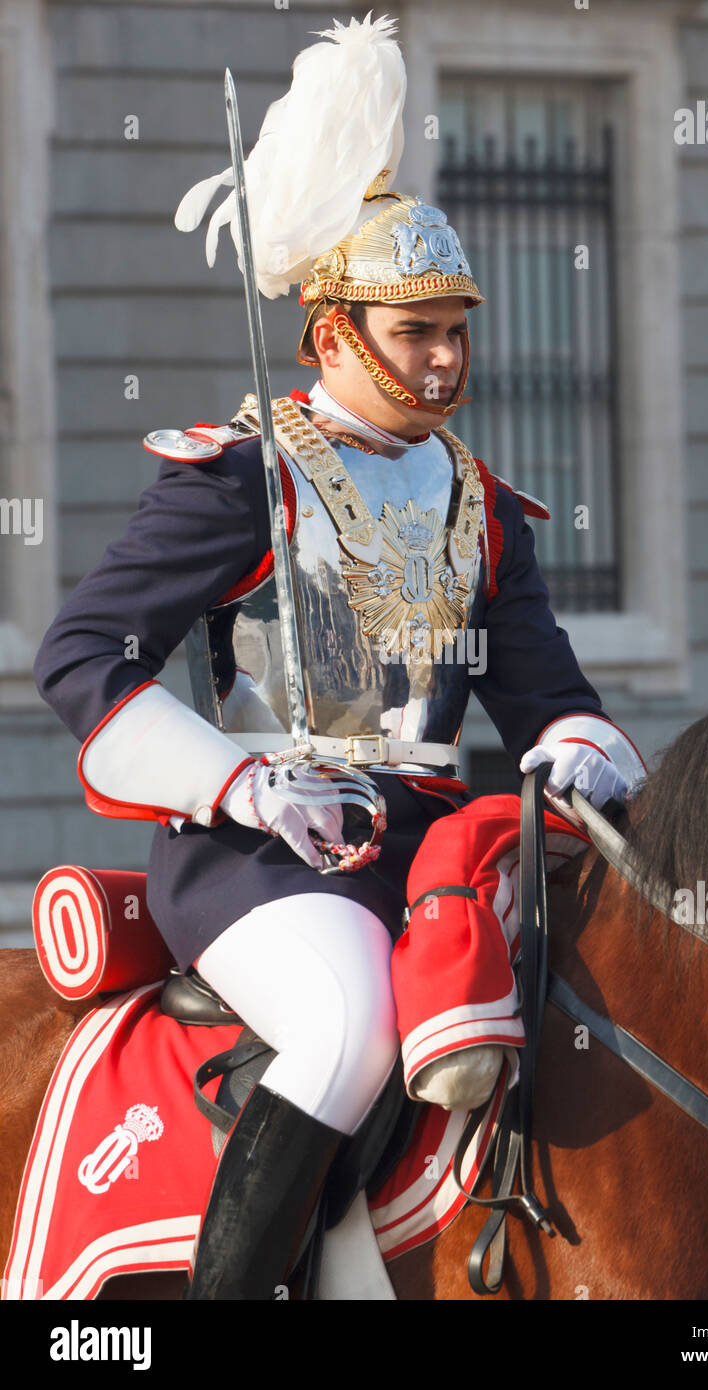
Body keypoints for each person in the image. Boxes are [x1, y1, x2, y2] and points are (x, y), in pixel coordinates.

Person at [32, 14, 644, 1298]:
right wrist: (242, 783)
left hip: (435, 849)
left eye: (455, 328)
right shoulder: (241, 479)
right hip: (258, 858)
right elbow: (84, 654)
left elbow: (550, 699)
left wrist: (582, 747)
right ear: (330, 334)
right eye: (412, 329)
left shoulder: (482, 503)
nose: (444, 355)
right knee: (349, 1018)